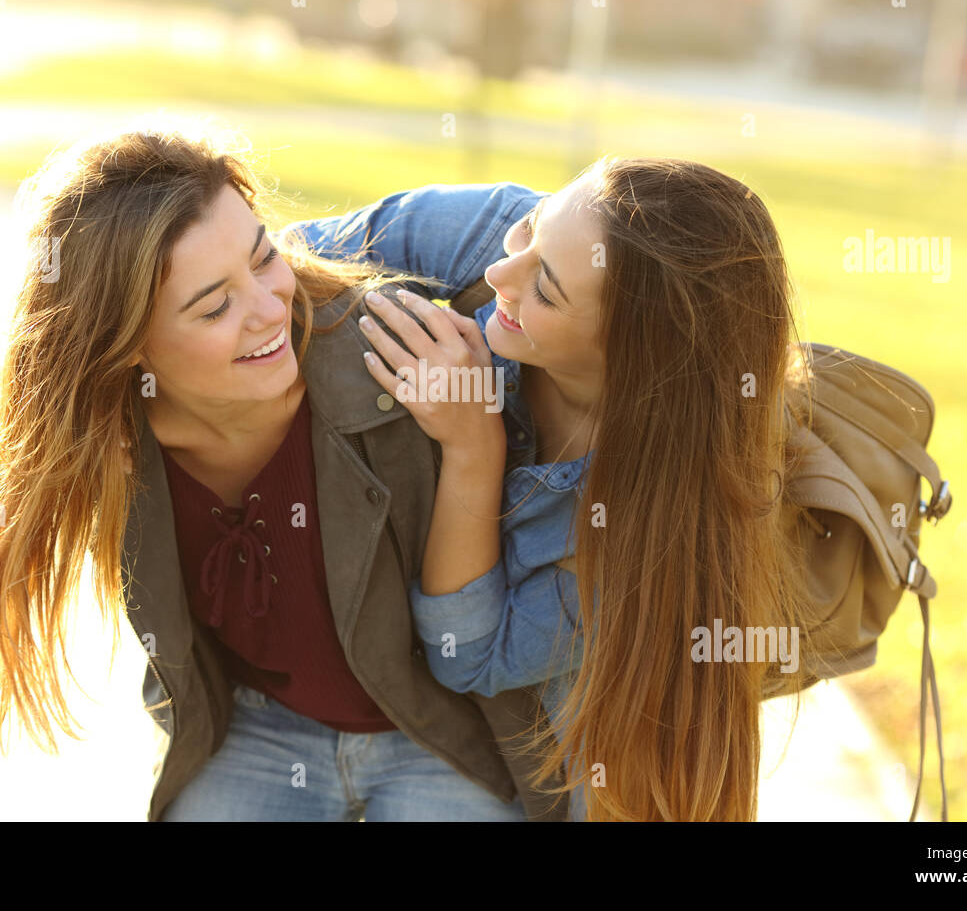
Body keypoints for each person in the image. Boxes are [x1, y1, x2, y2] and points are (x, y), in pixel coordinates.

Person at [0, 125, 572, 821]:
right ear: (126, 347)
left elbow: (599, 256)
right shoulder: (108, 443)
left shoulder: (393, 360)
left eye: (264, 256)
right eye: (215, 305)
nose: (270, 307)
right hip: (256, 729)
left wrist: (475, 435)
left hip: (433, 733)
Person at [295, 156, 814, 821]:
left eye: (546, 290)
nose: (498, 274)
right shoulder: (505, 234)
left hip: (546, 736)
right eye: (531, 230)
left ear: (629, 357)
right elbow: (264, 271)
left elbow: (469, 656)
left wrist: (472, 445)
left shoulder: (649, 527)